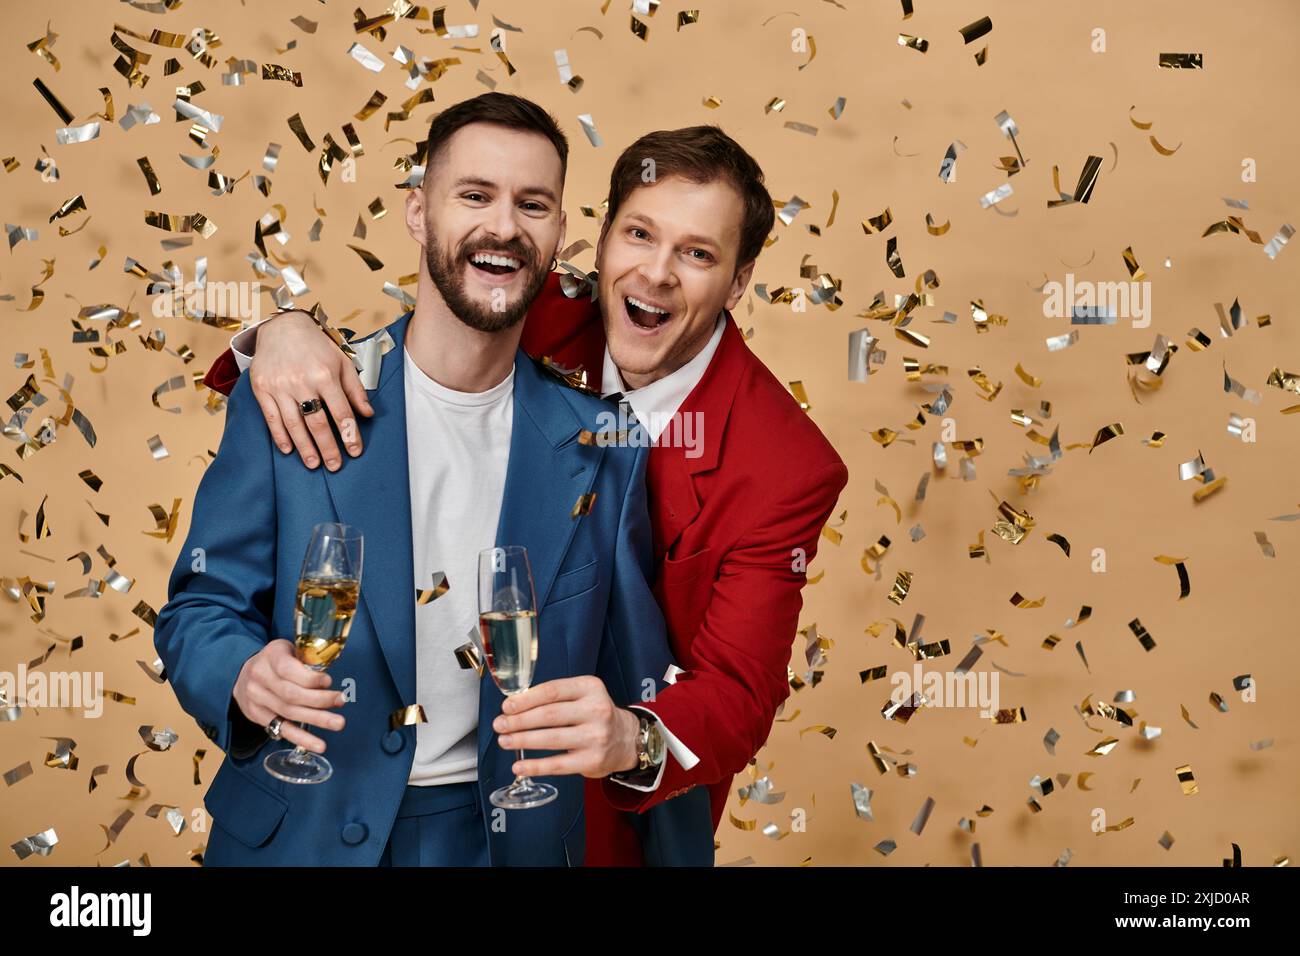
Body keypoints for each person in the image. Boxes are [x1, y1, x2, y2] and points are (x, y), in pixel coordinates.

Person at [203, 120, 849, 866]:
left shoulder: (787, 466)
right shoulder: (535, 305)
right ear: (599, 239)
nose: (658, 274)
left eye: (698, 254)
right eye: (639, 235)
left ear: (739, 282)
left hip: (584, 801)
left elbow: (740, 687)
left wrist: (631, 737)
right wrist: (281, 332)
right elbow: (409, 342)